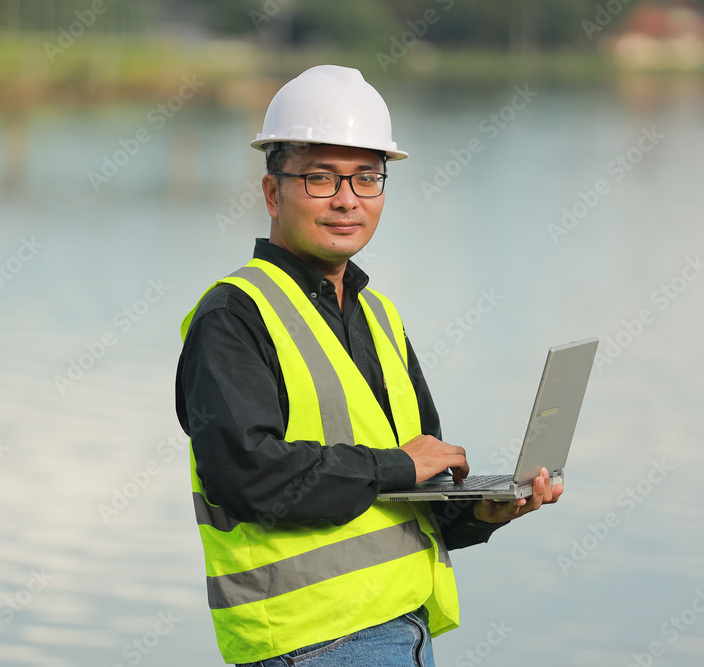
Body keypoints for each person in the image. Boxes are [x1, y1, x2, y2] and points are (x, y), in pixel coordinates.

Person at [174, 65, 563, 667]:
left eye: (366, 178)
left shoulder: (377, 314)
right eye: (321, 178)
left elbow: (410, 484)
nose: (347, 200)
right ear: (273, 192)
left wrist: (480, 513)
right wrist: (397, 466)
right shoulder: (233, 314)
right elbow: (246, 476)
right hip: (308, 643)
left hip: (405, 629)